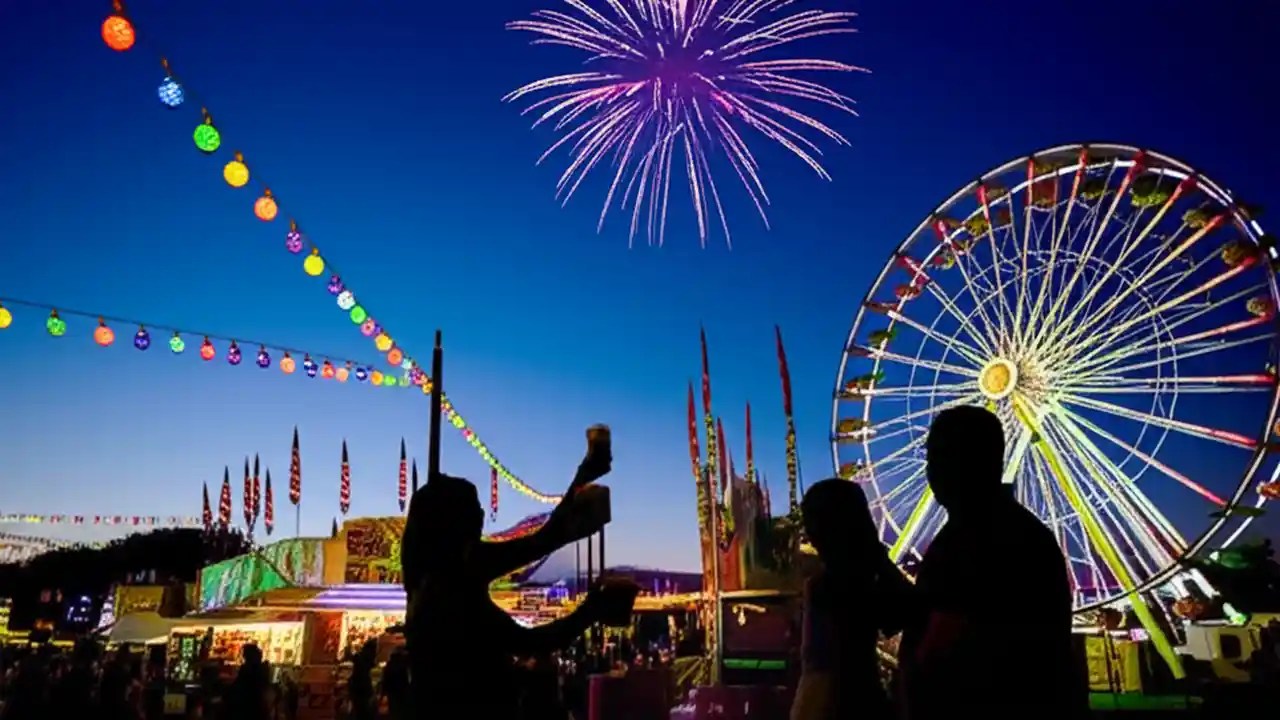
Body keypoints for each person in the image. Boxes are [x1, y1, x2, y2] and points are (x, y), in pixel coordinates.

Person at [401, 432, 633, 717]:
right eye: (473, 509)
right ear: (449, 523)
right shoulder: (449, 587)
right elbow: (530, 642)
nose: (482, 515)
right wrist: (593, 609)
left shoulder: (437, 579)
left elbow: (541, 542)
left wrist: (583, 477)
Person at [899, 405, 1087, 719]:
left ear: (972, 460)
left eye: (939, 456)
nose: (931, 470)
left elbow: (943, 644)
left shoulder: (978, 537)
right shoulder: (1021, 531)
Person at [790, 478, 913, 720]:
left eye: (812, 523)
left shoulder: (825, 587)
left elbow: (822, 671)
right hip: (866, 699)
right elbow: (905, 611)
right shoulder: (865, 578)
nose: (809, 534)